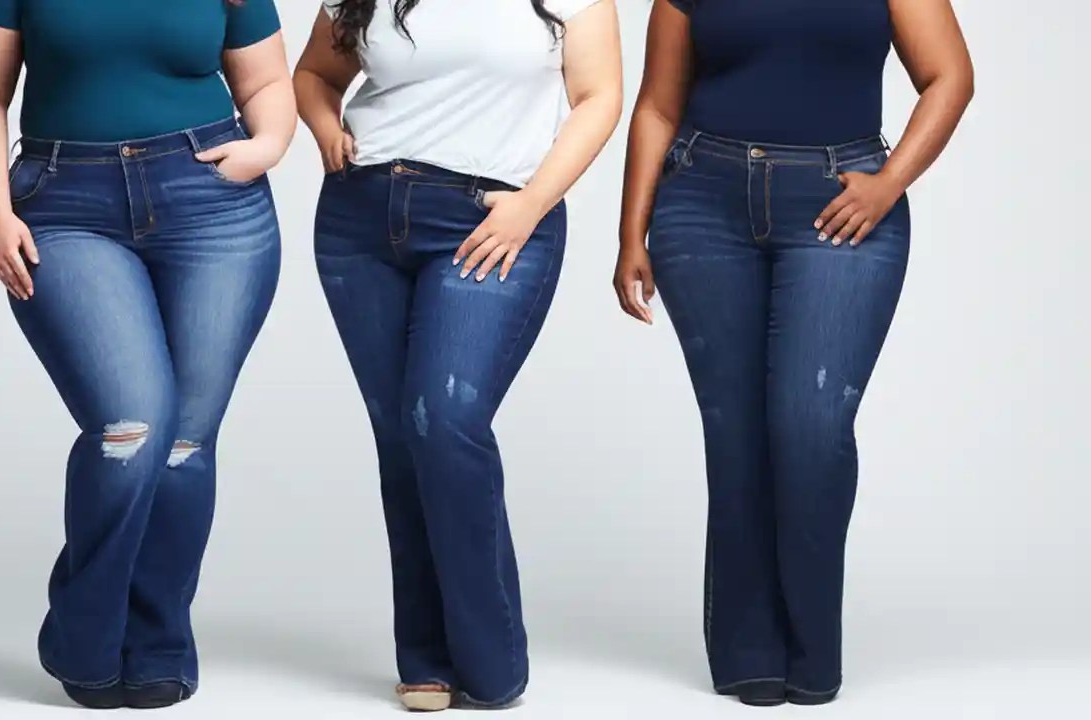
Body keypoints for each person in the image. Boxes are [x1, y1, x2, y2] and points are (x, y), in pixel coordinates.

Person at [616, 0, 973, 706]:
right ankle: (749, 653)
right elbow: (658, 106)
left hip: (838, 199)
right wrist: (631, 233)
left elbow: (950, 77)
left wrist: (891, 181)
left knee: (810, 429)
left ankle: (811, 649)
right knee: (737, 435)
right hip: (703, 202)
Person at [0, 0, 294, 709]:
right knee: (130, 427)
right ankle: (84, 629)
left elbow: (265, 82)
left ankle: (158, 641)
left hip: (213, 206)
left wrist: (265, 147)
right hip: (65, 201)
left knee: (185, 443)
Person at [294, 0, 622, 710]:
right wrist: (325, 126)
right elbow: (315, 75)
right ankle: (425, 657)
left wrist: (532, 204)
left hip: (494, 217)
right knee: (402, 440)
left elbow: (600, 98)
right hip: (361, 221)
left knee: (442, 420)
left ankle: (490, 659)